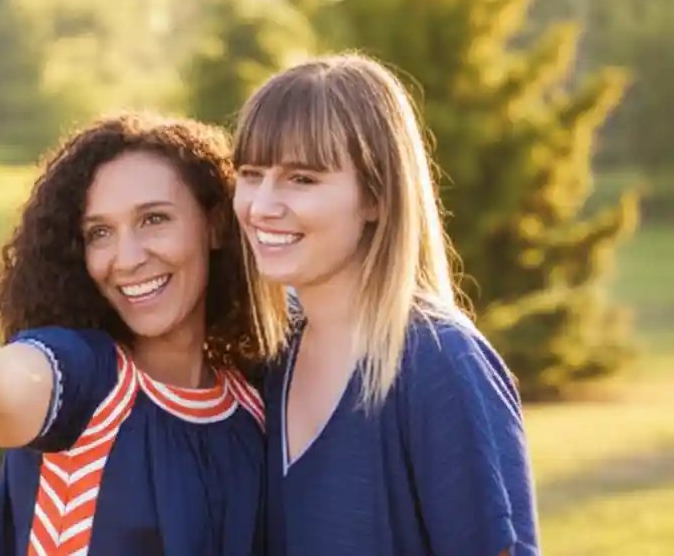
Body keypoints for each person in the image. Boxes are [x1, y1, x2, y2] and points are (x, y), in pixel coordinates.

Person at [0, 113, 287, 555]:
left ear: (215, 224)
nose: (126, 258)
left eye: (154, 219)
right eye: (99, 233)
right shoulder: (85, 376)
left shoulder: (252, 401)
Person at [230, 53, 539, 555]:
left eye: (302, 179)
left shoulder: (438, 362)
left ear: (376, 196)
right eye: (250, 173)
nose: (262, 205)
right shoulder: (272, 358)